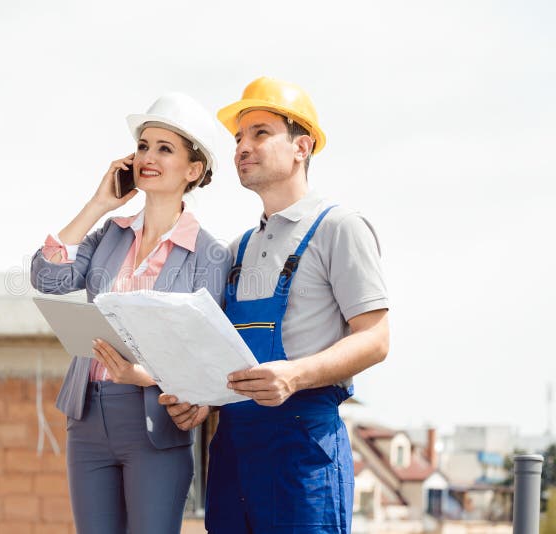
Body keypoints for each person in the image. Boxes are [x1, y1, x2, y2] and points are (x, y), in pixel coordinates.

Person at [159, 77, 391, 533]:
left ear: (302, 146)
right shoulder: (236, 251)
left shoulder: (339, 228)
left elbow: (376, 338)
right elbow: (218, 351)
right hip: (232, 449)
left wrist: (295, 374)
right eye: (239, 138)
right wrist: (202, 400)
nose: (243, 146)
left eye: (260, 132)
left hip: (303, 448)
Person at [30, 92, 232, 534]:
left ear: (193, 170)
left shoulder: (211, 255)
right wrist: (98, 204)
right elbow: (46, 277)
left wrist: (144, 374)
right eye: (143, 146)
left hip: (154, 423)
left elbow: (206, 358)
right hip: (88, 417)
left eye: (165, 148)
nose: (148, 157)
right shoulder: (109, 234)